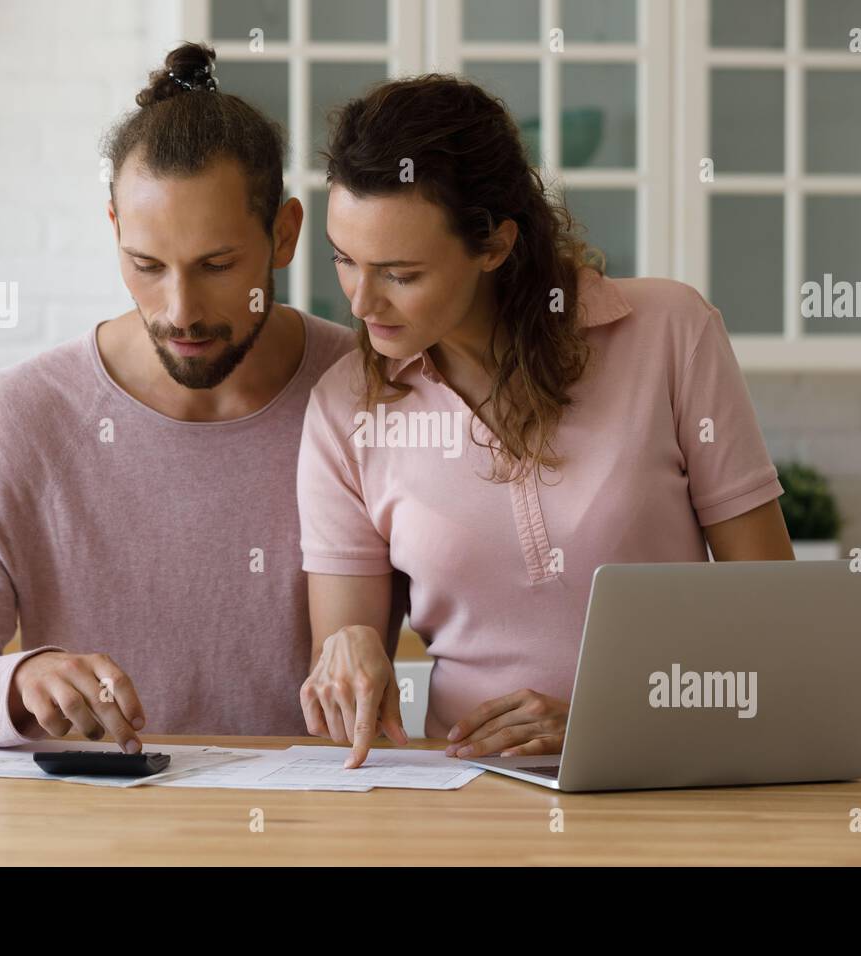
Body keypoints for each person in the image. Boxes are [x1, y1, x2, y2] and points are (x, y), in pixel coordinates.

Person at [297, 74, 794, 769]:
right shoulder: (346, 408)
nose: (361, 301)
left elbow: (779, 628)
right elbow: (347, 659)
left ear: (494, 246)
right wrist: (347, 649)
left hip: (669, 783)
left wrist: (615, 723)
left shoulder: (670, 333)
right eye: (344, 261)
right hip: (468, 800)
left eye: (400, 273)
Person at [0, 43, 357, 751]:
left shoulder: (369, 391)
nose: (181, 310)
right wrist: (20, 679)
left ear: (284, 235)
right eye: (146, 265)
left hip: (314, 834)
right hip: (95, 837)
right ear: (114, 228)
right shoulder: (21, 416)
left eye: (218, 265)